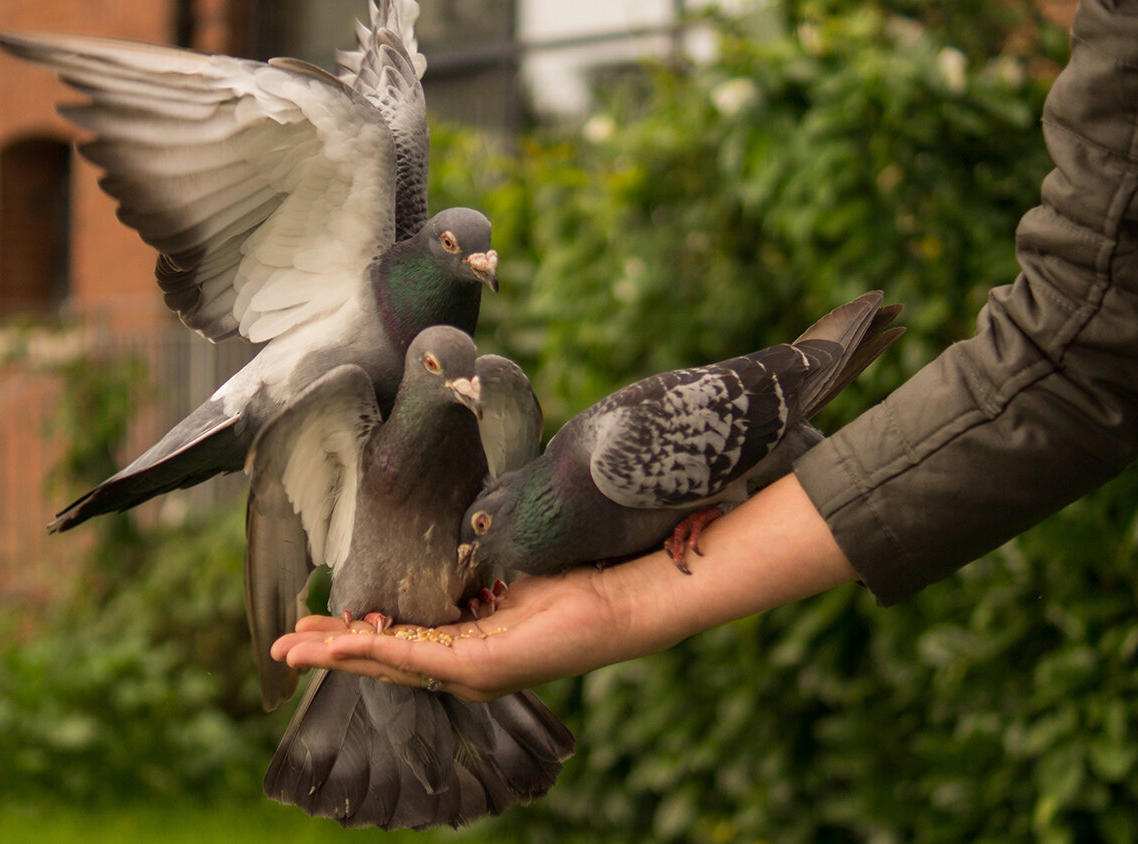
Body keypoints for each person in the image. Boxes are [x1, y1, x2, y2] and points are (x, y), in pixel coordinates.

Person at [271, 0, 1138, 702]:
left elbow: (1072, 349)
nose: (472, 552)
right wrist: (619, 604)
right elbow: (1079, 348)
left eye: (481, 528)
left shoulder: (598, 459)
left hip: (769, 415)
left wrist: (630, 590)